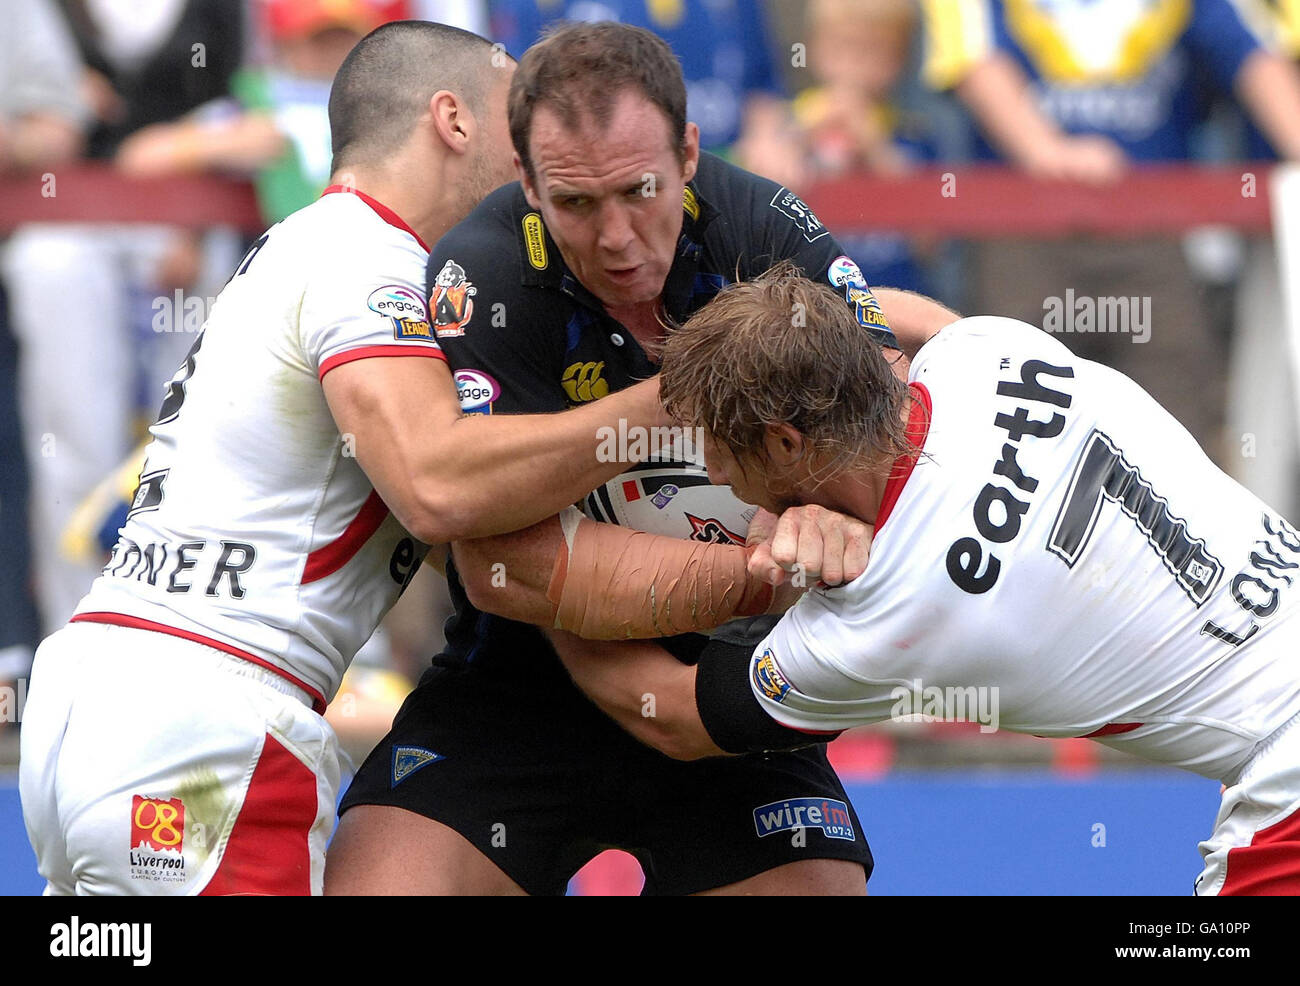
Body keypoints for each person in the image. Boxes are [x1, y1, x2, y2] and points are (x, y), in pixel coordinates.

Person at [18, 20, 672, 896]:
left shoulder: (312, 245)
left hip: (101, 706)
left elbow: (480, 538)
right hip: (209, 728)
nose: (541, 147)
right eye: (520, 114)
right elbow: (439, 486)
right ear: (454, 120)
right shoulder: (374, 261)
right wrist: (668, 408)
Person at [328, 22, 899, 896]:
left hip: (739, 674)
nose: (620, 239)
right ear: (525, 181)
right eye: (577, 205)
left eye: (642, 190)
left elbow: (895, 441)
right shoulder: (480, 273)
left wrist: (839, 511)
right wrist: (766, 562)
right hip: (520, 679)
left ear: (690, 153)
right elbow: (501, 571)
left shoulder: (769, 231)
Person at [552, 265, 1300, 896]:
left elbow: (671, 717)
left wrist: (551, 590)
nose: (712, 474)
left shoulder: (889, 617)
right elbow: (888, 328)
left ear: (786, 440)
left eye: (719, 450)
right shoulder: (982, 348)